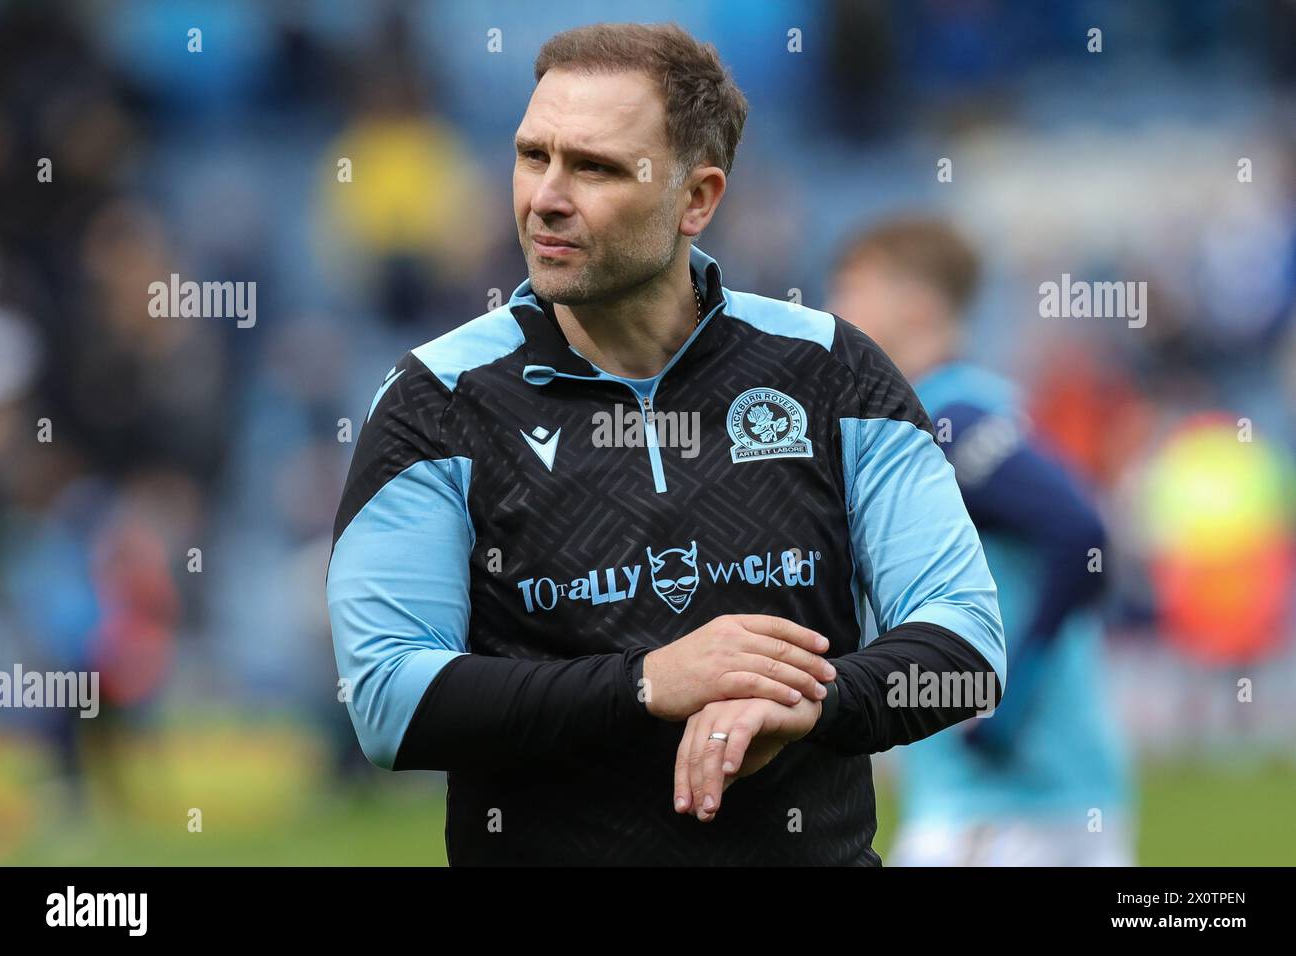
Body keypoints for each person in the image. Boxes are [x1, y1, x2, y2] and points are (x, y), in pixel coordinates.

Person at [327, 23, 1003, 866]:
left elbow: (968, 648)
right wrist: (647, 685)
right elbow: (388, 701)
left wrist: (808, 703)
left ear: (698, 199)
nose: (546, 197)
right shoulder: (436, 401)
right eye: (533, 156)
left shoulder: (832, 371)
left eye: (596, 167)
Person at [828, 216, 1133, 865]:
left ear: (915, 303)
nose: (836, 309)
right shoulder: (954, 409)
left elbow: (1082, 537)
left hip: (1011, 808)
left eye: (854, 288)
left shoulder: (950, 420)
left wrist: (1009, 697)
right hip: (1008, 799)